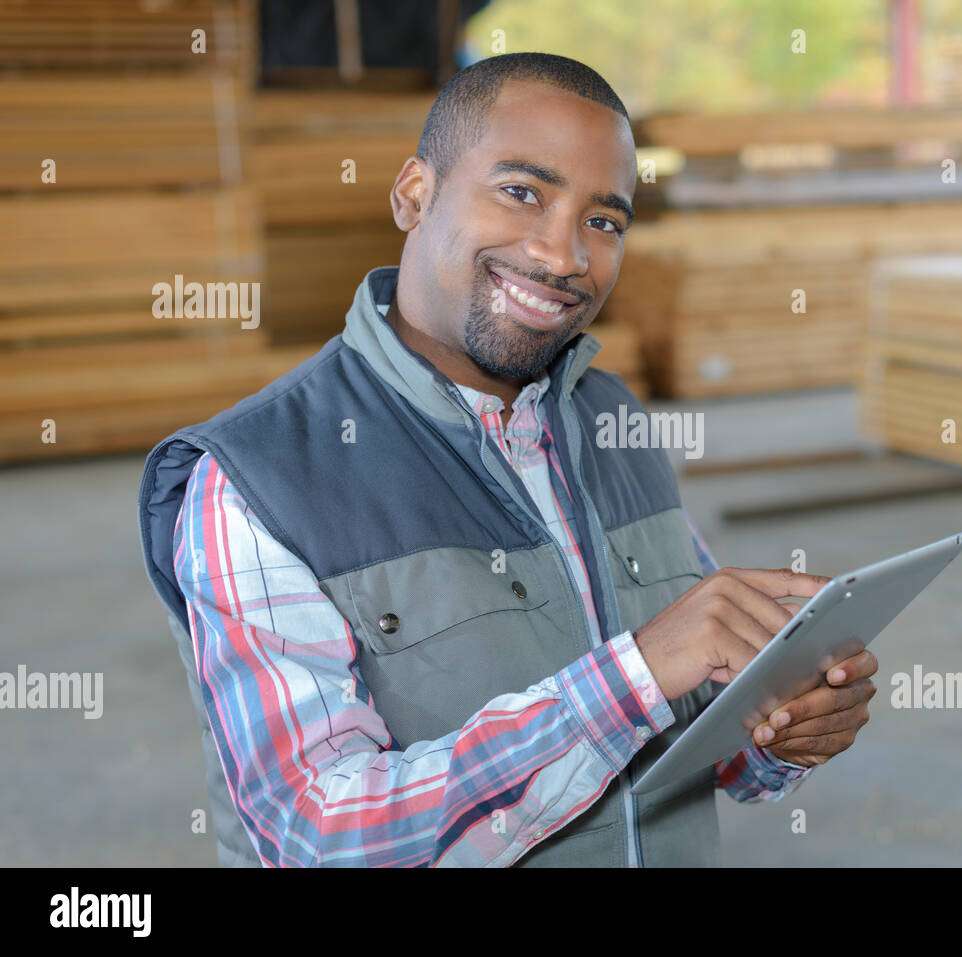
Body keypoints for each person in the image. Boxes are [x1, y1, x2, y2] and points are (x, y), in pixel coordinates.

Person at [137, 52, 878, 867]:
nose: (564, 256)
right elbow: (320, 833)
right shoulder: (255, 475)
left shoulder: (611, 418)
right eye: (522, 192)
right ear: (413, 194)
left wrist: (779, 727)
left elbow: (687, 709)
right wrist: (631, 674)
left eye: (605, 220)